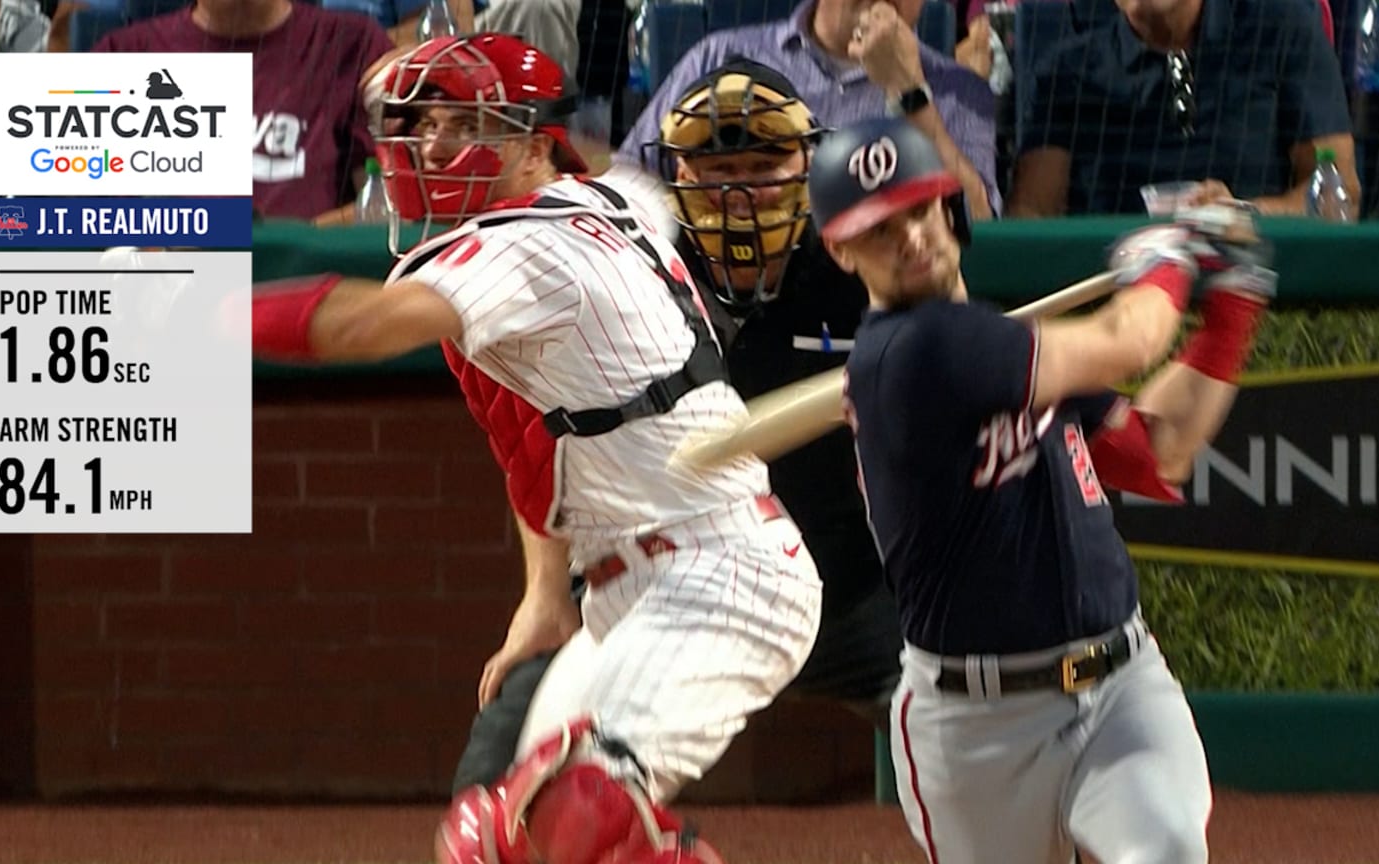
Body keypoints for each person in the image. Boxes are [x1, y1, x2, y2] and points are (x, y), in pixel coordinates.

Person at [249, 34, 822, 864]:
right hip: (628, 588)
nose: (437, 144)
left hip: (720, 576)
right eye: (424, 122)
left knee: (579, 817)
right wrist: (545, 593)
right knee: (489, 840)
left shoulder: (522, 246)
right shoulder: (618, 193)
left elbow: (363, 328)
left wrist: (199, 313)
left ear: (530, 140)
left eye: (467, 121)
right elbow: (538, 437)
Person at [809, 116, 1275, 863]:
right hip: (974, 726)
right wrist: (1171, 257)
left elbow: (1161, 450)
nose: (913, 239)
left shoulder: (996, 343)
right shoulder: (914, 352)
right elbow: (1130, 338)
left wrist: (1234, 310)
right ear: (839, 248)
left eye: (921, 210)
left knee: (1167, 847)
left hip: (1121, 688)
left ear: (948, 206)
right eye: (879, 229)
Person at [449, 58, 904, 795]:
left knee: (986, 713)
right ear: (675, 175)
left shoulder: (864, 258)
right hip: (653, 592)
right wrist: (544, 594)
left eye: (763, 163)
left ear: (808, 162)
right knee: (493, 795)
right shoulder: (624, 263)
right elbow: (541, 440)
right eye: (714, 166)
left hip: (850, 595)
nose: (739, 188)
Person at [621, 0, 1000, 220]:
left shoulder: (958, 91)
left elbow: (980, 229)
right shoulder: (720, 56)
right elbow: (626, 184)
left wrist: (909, 92)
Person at [1008, 0, 1357, 217]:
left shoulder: (1282, 28)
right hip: (1116, 295)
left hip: (1258, 288)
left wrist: (1244, 215)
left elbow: (1337, 195)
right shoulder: (1068, 70)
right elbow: (1032, 213)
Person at [95, 0, 395, 223]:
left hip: (303, 285)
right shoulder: (120, 55)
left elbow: (387, 211)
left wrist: (284, 245)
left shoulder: (354, 46)